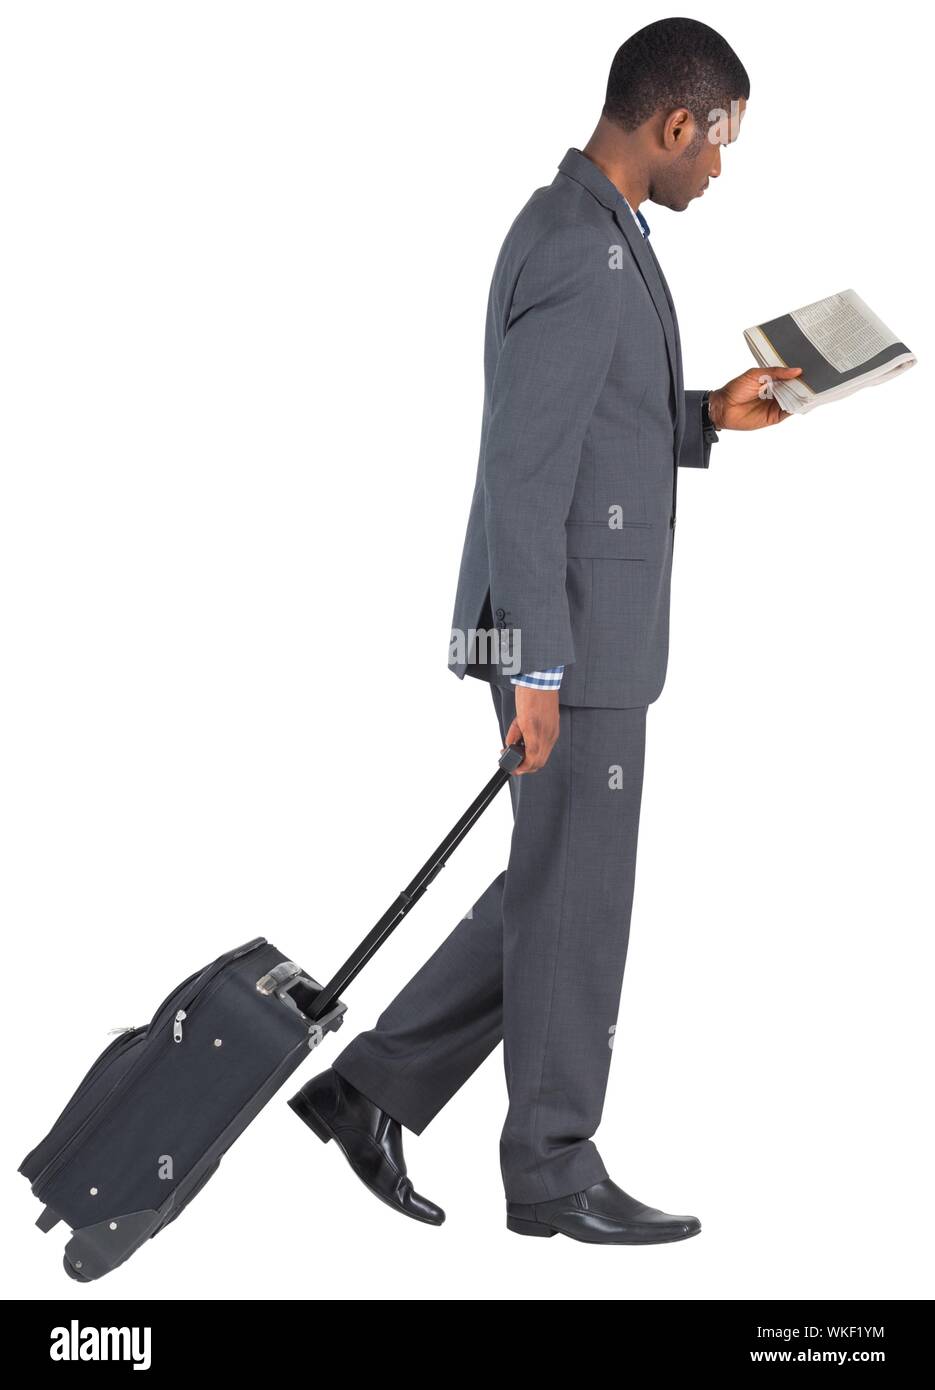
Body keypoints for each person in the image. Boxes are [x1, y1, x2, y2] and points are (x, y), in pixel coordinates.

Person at [290, 18, 802, 1244]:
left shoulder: (587, 226)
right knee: (581, 893)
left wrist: (706, 418)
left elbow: (594, 422)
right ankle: (554, 1170)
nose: (719, 170)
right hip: (567, 630)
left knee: (553, 881)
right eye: (719, 144)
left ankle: (373, 1087)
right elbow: (522, 472)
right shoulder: (581, 245)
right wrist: (535, 663)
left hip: (570, 618)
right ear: (675, 123)